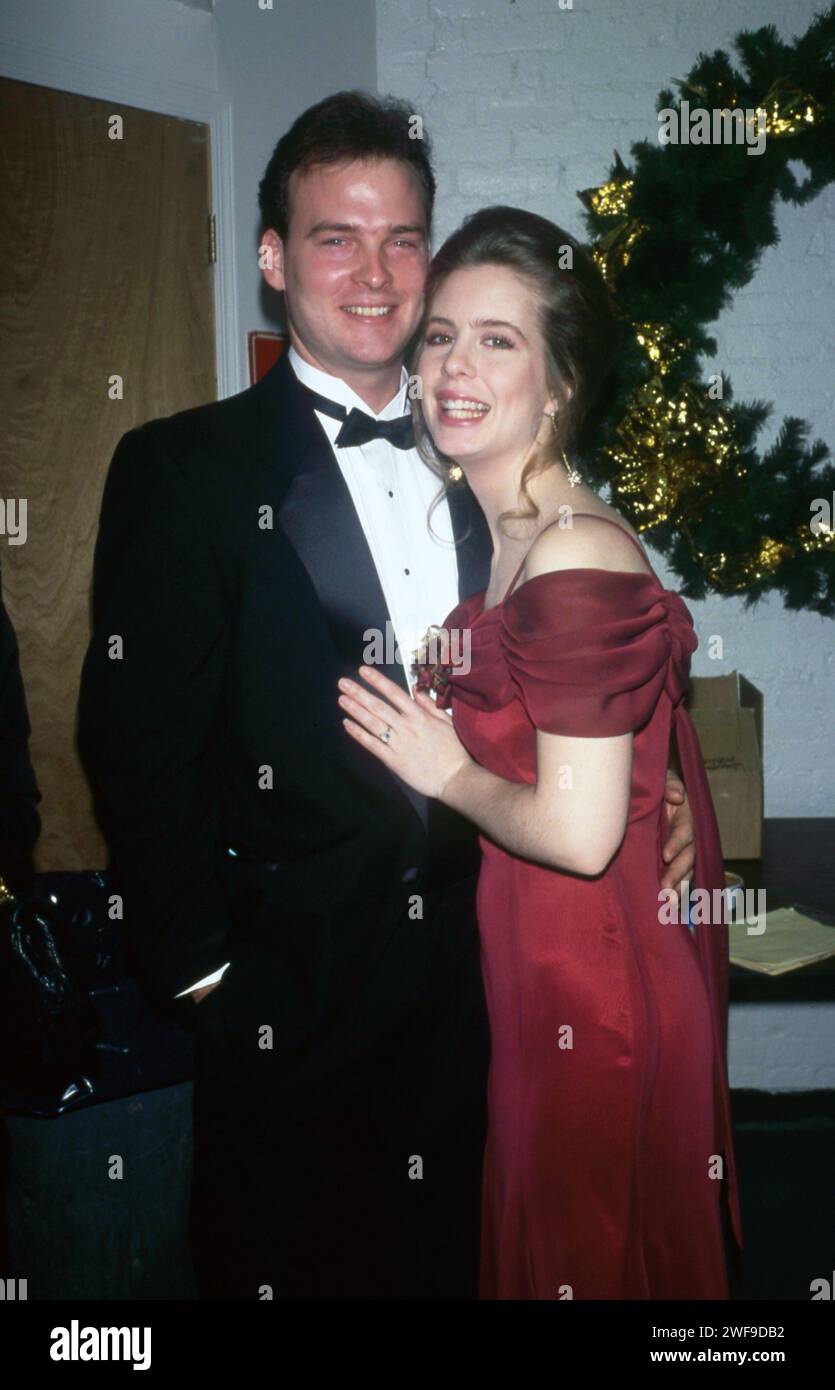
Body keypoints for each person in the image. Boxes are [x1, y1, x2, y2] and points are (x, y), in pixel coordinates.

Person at [77, 93, 697, 1300]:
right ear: (272, 259)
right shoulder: (182, 469)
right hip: (287, 1008)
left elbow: (571, 672)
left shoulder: (487, 459)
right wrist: (203, 980)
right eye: (334, 237)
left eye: (403, 237)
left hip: (491, 993)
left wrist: (646, 784)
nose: (375, 272)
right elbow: (133, 745)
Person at [338, 205, 744, 1299]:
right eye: (441, 335)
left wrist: (447, 769)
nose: (453, 366)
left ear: (559, 382)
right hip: (535, 982)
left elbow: (577, 830)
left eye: (498, 340)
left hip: (595, 998)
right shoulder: (510, 532)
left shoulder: (570, 549)